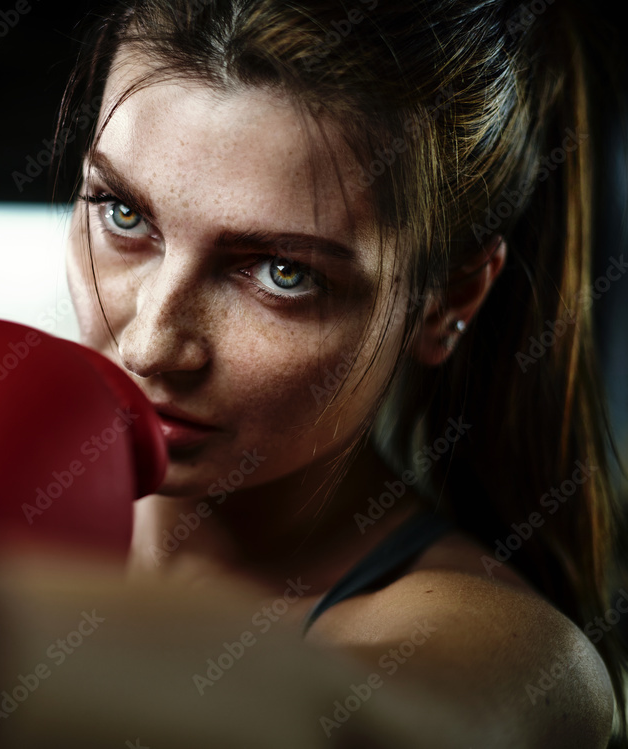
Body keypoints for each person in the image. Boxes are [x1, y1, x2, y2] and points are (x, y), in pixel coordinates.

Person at [51, 0, 628, 745]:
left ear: (450, 297)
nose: (152, 344)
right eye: (123, 213)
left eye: (283, 271)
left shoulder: (515, 654)